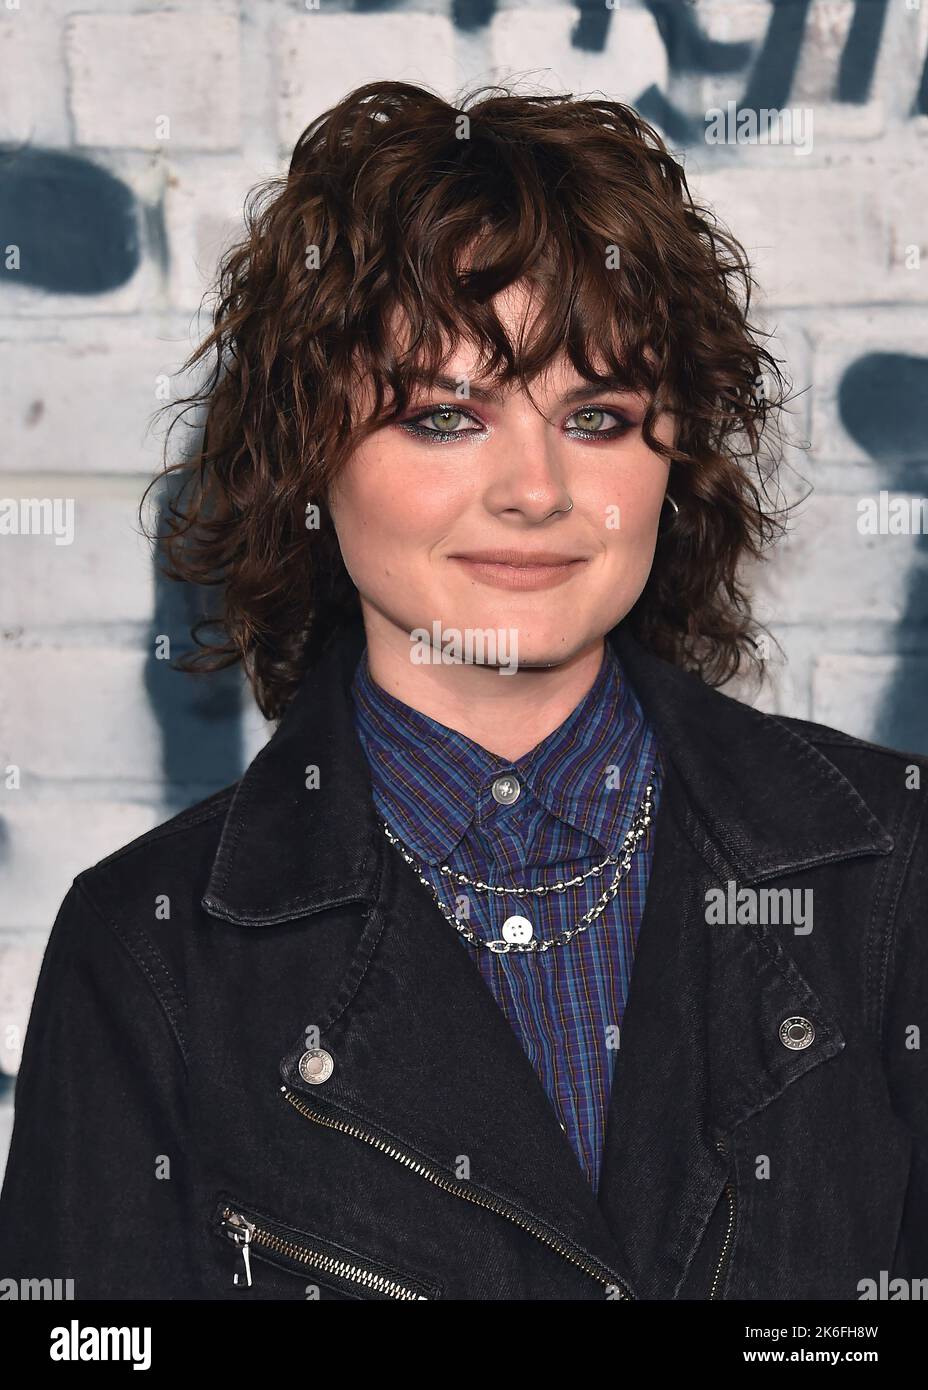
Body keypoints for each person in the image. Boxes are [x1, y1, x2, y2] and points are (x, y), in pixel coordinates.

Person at [0, 79, 925, 1303]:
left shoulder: (888, 869)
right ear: (308, 456)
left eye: (596, 415)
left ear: (673, 460)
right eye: (446, 417)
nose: (535, 489)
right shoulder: (152, 948)